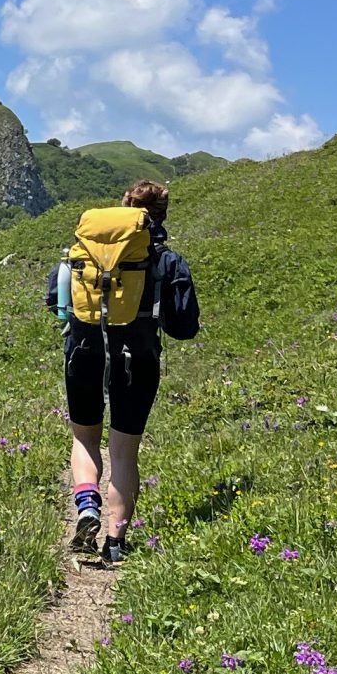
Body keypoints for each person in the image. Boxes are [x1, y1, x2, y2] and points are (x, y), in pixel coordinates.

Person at [50, 180, 200, 564]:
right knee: (124, 451)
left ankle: (87, 504)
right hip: (138, 359)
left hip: (82, 353)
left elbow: (56, 301)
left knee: (84, 438)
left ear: (124, 205)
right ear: (160, 216)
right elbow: (184, 326)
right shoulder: (166, 260)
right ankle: (115, 541)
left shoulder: (80, 252)